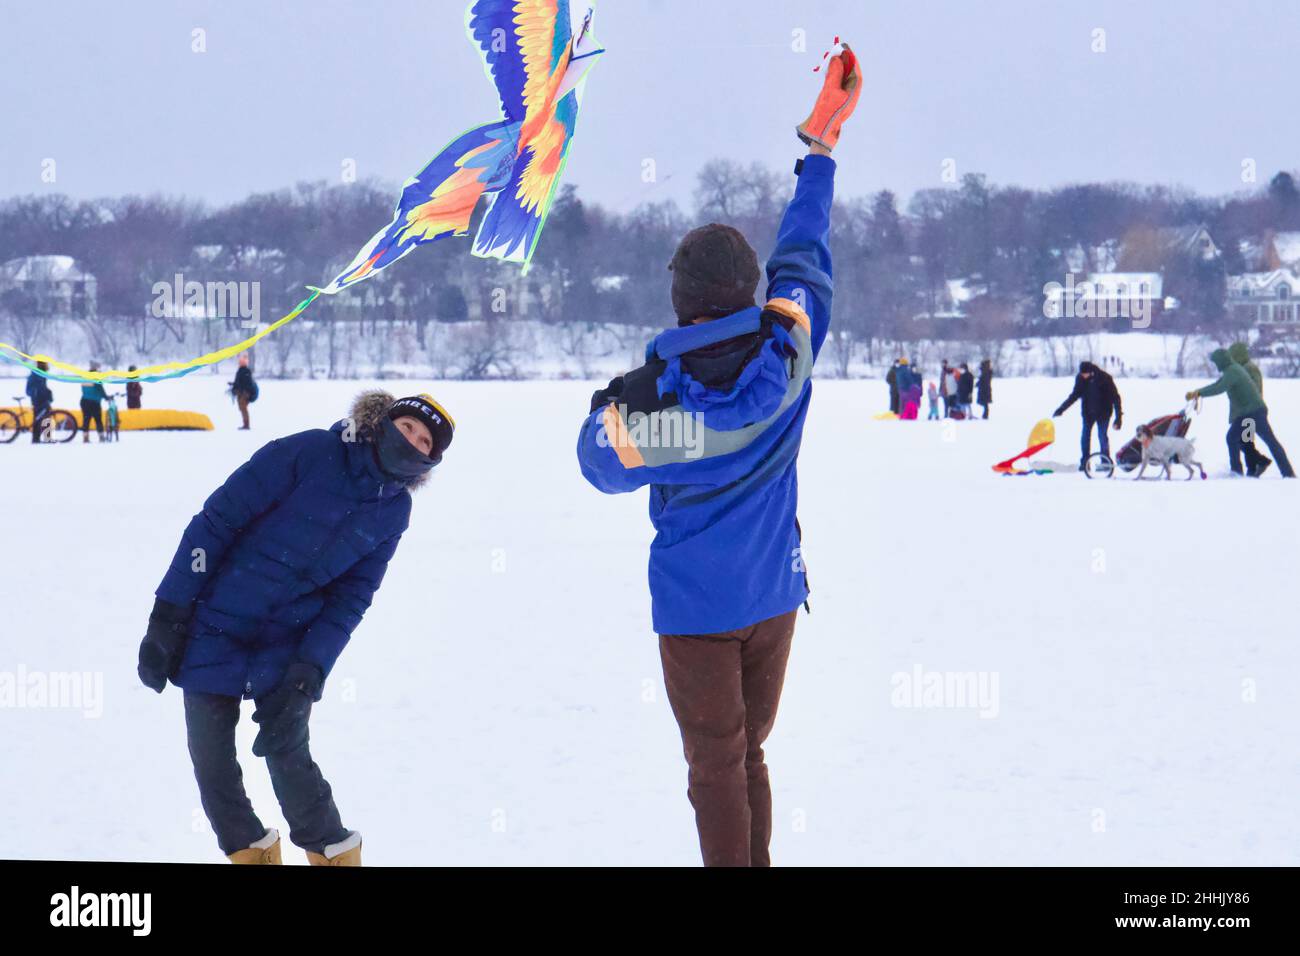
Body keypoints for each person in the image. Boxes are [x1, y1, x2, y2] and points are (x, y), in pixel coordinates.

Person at [576, 48, 857, 867]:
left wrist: (613, 404)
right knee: (748, 754)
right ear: (747, 290)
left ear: (681, 303)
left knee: (716, 765)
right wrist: (820, 151)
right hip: (773, 594)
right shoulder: (791, 350)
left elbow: (596, 463)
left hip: (699, 610)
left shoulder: (659, 404)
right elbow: (803, 255)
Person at [137, 390, 455, 864]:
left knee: (288, 749)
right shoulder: (310, 451)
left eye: (425, 440)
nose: (412, 439)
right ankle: (252, 851)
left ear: (430, 458)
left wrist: (311, 668)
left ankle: (331, 852)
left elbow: (352, 597)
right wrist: (169, 612)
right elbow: (216, 522)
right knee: (211, 759)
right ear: (383, 421)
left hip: (287, 642)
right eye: (407, 426)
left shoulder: (394, 512)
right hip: (216, 623)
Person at [1188, 348, 1293, 478]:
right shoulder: (1232, 369)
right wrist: (1198, 391)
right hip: (1252, 411)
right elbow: (1218, 383)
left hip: (1251, 412)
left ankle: (1237, 472)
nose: (1216, 365)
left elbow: (1219, 388)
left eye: (1216, 362)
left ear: (1221, 361)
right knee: (1249, 441)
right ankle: (1264, 467)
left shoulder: (1233, 371)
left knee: (1234, 438)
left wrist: (1199, 393)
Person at [1053, 360, 1123, 468]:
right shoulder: (1080, 379)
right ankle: (1085, 463)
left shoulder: (1104, 378)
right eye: (1081, 374)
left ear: (1090, 372)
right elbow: (1074, 395)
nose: (1083, 375)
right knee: (1085, 437)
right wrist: (1061, 409)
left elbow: (1116, 398)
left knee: (1102, 436)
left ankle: (1105, 463)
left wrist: (1118, 418)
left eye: (1084, 374)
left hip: (1103, 413)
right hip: (1088, 413)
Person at [1227, 342, 1267, 475]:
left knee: (1233, 438)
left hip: (1247, 411)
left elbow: (1253, 389)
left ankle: (1237, 470)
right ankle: (1252, 468)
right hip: (1243, 411)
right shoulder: (1242, 368)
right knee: (1246, 441)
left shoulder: (1249, 368)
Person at [25, 361, 54, 444]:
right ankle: (36, 438)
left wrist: (48, 393)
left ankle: (45, 438)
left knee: (46, 417)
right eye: (45, 364)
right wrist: (37, 393)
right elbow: (28, 390)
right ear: (41, 364)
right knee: (38, 419)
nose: (47, 365)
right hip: (38, 400)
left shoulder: (42, 374)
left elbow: (43, 387)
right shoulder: (35, 374)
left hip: (43, 400)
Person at [80, 364, 109, 443]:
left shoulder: (85, 379)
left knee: (86, 420)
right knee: (98, 420)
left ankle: (85, 437)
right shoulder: (96, 379)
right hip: (94, 403)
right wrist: (106, 397)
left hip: (84, 401)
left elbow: (84, 390)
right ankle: (101, 437)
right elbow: (101, 390)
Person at [231, 354, 257, 429]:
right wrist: (234, 386)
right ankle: (245, 424)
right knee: (242, 408)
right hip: (241, 393)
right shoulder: (240, 371)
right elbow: (238, 382)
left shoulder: (246, 371)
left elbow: (246, 383)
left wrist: (243, 390)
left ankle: (246, 425)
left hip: (245, 393)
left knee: (243, 408)